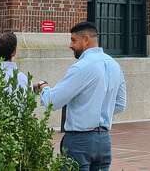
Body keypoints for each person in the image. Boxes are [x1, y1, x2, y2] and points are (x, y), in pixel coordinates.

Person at [34, 21, 126, 171]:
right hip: (104, 141)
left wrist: (44, 87)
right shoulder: (115, 65)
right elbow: (121, 104)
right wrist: (95, 110)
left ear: (86, 40)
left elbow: (52, 101)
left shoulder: (81, 66)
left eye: (73, 40)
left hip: (79, 141)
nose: (70, 45)